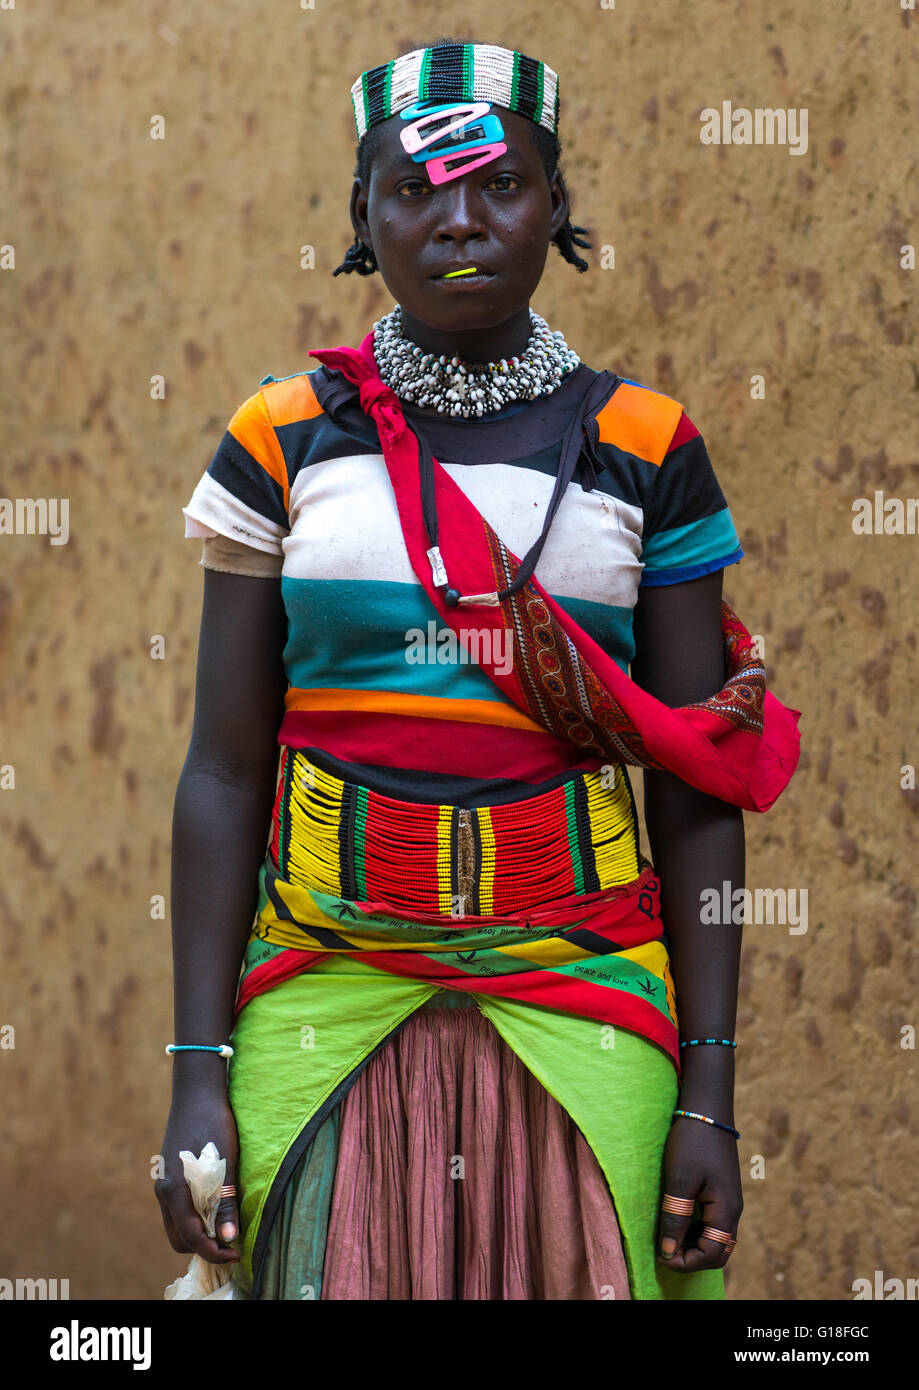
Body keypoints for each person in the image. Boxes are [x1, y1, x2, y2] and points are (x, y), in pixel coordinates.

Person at [155, 36, 800, 1300]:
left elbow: (695, 783)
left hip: (587, 976)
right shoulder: (280, 437)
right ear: (363, 215)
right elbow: (226, 774)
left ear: (555, 205)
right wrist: (196, 1067)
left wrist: (710, 1089)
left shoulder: (645, 445)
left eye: (501, 186)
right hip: (323, 974)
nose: (458, 221)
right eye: (414, 190)